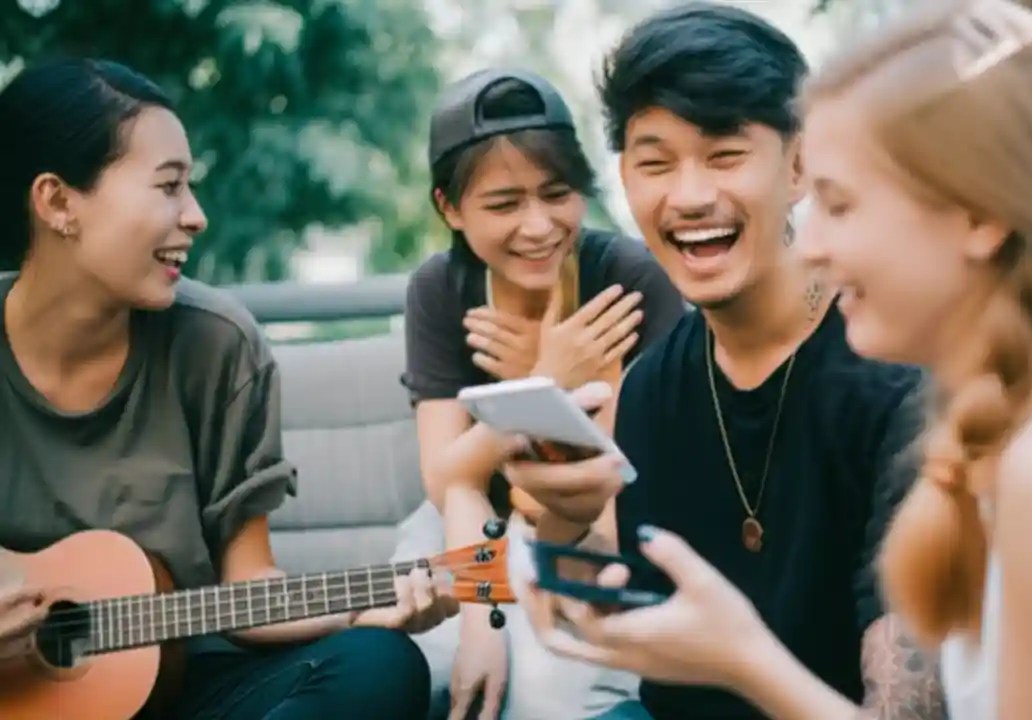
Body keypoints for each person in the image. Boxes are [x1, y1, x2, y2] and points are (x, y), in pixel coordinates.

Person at [513, 1, 1032, 718]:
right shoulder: (1028, 423)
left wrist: (745, 660)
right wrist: (564, 529)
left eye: (842, 204)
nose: (812, 244)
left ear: (976, 214)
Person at [493, 4, 947, 719]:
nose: (690, 196)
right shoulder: (649, 388)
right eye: (655, 163)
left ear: (799, 165)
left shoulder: (900, 378)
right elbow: (637, 615)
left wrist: (743, 663)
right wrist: (564, 520)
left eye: (725, 154)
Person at [0, 58, 455, 719]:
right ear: (58, 202)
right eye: (168, 186)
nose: (196, 216)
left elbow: (247, 582)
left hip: (187, 685)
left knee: (378, 665)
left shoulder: (217, 344)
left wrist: (361, 607)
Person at [392, 67, 686, 719]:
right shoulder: (440, 289)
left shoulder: (629, 279)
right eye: (504, 205)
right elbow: (447, 480)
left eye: (557, 194)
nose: (539, 226)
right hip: (461, 520)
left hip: (590, 534)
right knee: (395, 658)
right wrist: (548, 379)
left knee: (545, 695)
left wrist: (529, 387)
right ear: (449, 208)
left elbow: (620, 490)